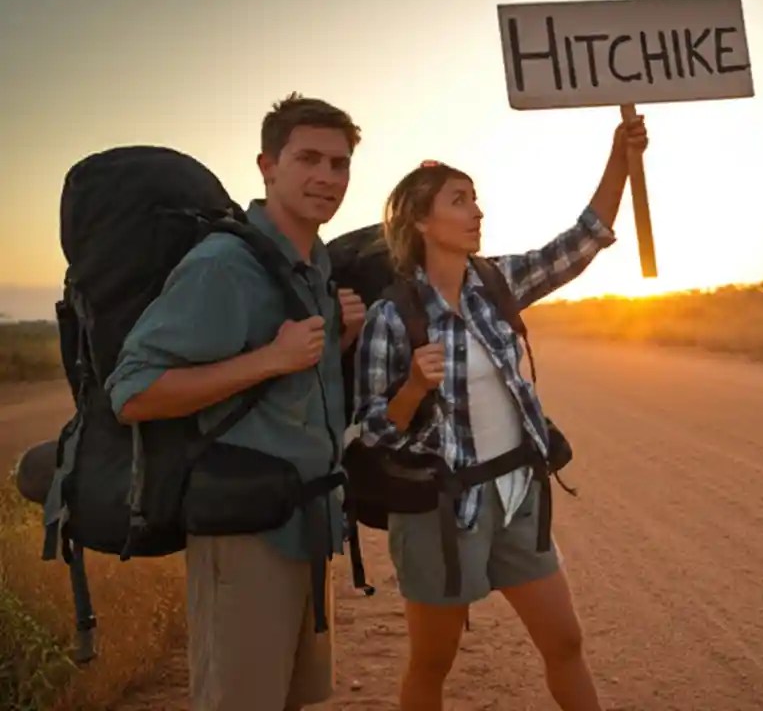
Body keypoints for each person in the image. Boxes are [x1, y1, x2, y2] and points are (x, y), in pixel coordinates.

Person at [351, 114, 648, 710]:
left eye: (475, 199)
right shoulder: (393, 317)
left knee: (564, 640)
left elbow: (581, 241)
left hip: (516, 492)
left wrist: (621, 157)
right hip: (439, 507)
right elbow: (375, 432)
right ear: (420, 220)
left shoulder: (499, 282)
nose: (476, 211)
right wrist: (412, 387)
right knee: (432, 665)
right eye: (459, 201)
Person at [104, 93, 367, 711]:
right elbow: (132, 391)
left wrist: (339, 340)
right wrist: (268, 360)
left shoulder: (311, 262)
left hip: (306, 523)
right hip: (247, 535)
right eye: (309, 159)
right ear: (267, 166)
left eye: (340, 163)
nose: (327, 177)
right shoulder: (226, 265)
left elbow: (296, 383)